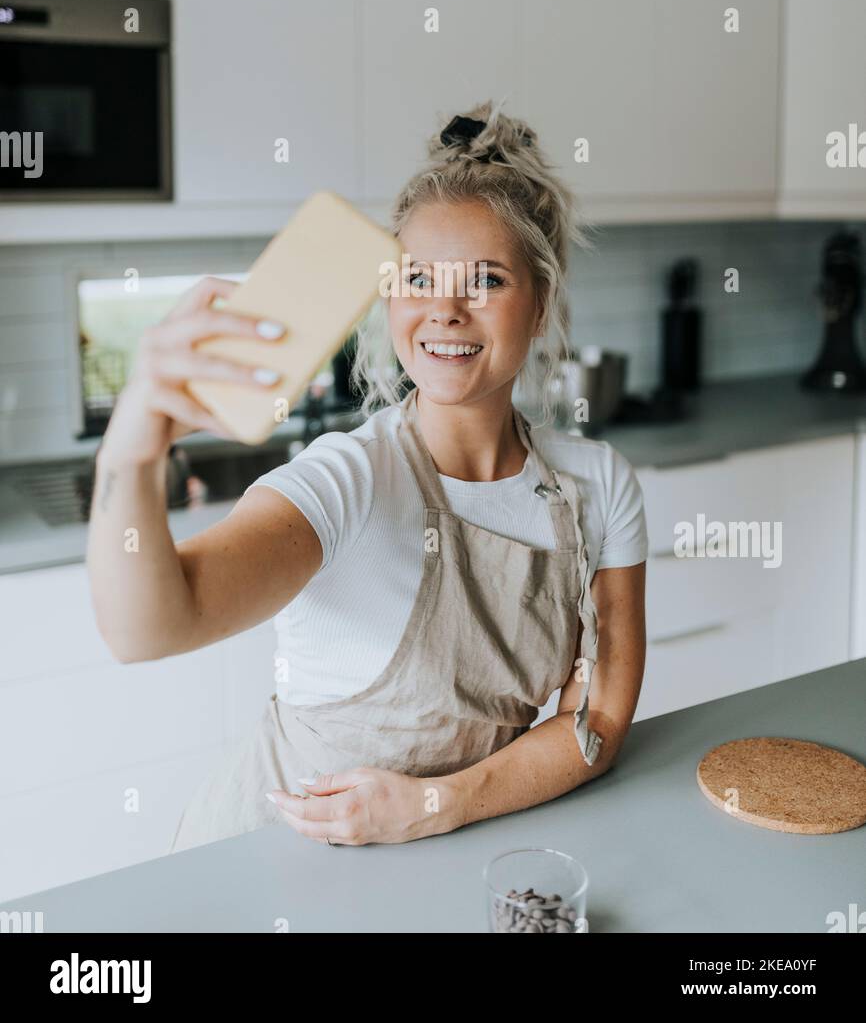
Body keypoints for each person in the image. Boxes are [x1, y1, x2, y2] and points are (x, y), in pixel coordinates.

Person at [87, 102, 647, 852]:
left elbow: (598, 726)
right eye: (418, 278)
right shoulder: (350, 478)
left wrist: (433, 805)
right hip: (272, 861)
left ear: (540, 306)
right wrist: (131, 451)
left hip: (453, 855)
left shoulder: (597, 488)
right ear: (390, 298)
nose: (444, 311)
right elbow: (149, 628)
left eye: (484, 280)